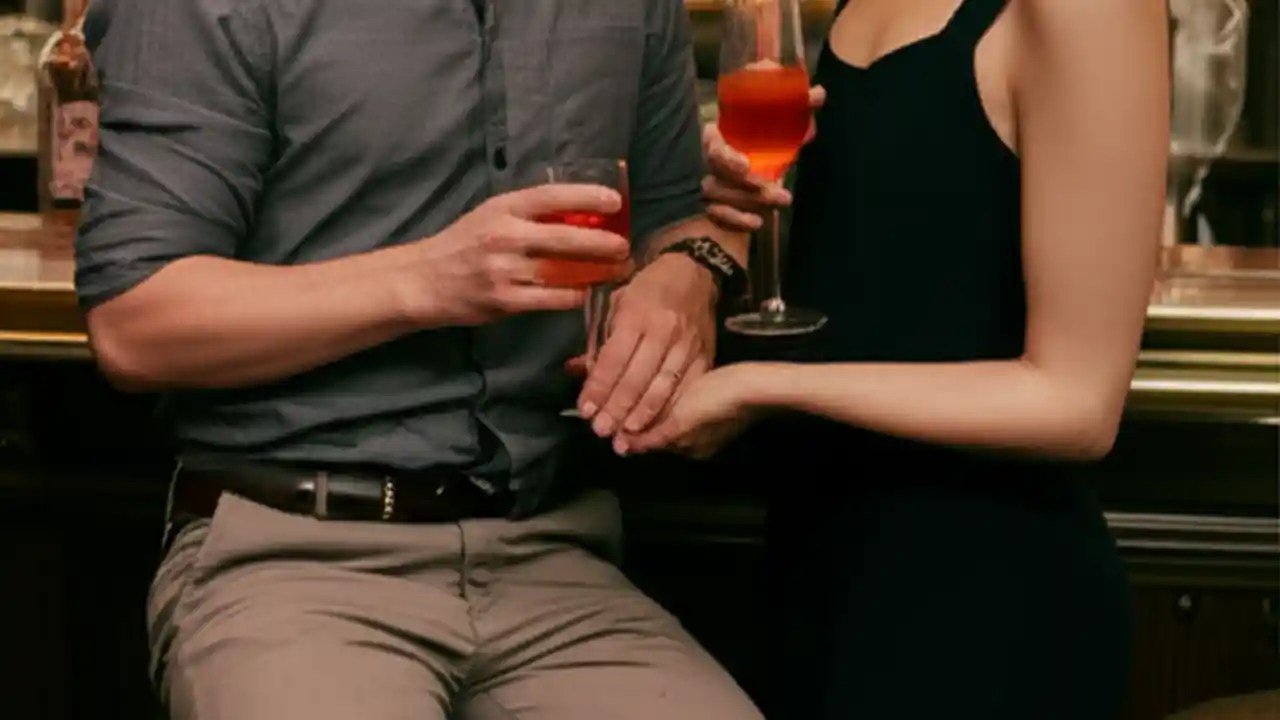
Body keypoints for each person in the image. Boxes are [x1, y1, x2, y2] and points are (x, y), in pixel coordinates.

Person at [74, 1, 758, 718]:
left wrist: (690, 274)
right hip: (293, 554)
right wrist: (427, 281)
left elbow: (674, 220)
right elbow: (133, 326)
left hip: (553, 551)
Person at [619, 0, 1169, 717]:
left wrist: (765, 386)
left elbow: (1079, 403)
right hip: (820, 567)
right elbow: (892, 276)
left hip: (982, 599)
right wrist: (742, 208)